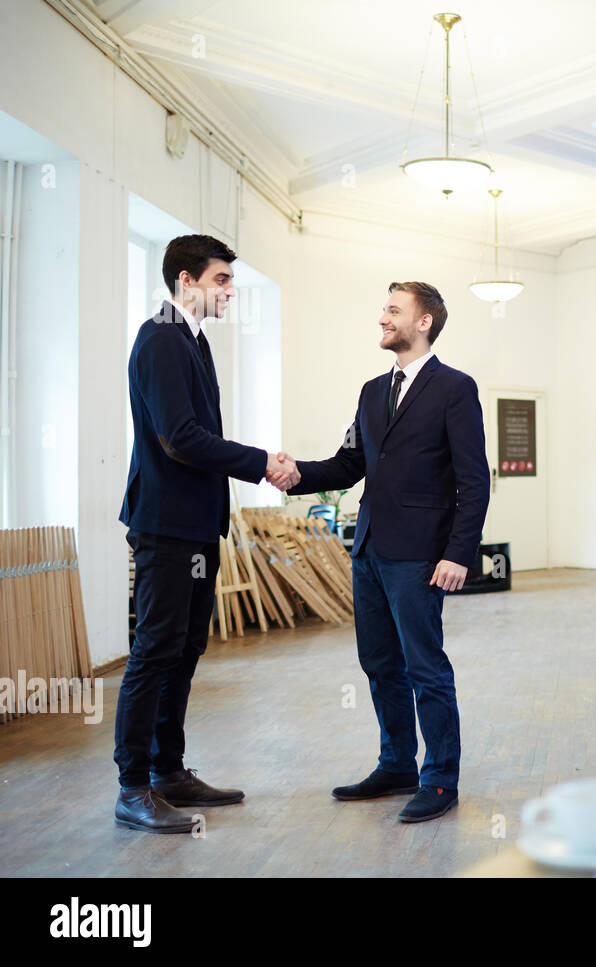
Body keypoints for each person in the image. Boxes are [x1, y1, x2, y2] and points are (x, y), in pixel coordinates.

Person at [270, 281, 489, 823]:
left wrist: (459, 552)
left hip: (421, 555)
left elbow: (474, 478)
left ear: (424, 323)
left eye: (393, 310)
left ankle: (440, 779)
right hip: (369, 548)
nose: (382, 319)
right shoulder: (372, 390)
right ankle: (396, 765)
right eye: (383, 309)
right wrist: (297, 475)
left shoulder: (455, 388)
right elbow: (348, 465)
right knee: (379, 664)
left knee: (425, 667)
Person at [117, 234, 296, 833]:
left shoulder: (193, 343)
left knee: (187, 647)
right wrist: (260, 461)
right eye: (221, 279)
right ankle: (132, 787)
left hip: (194, 524)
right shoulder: (161, 338)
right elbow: (179, 438)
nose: (229, 290)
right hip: (165, 524)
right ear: (186, 280)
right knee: (155, 650)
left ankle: (170, 771)